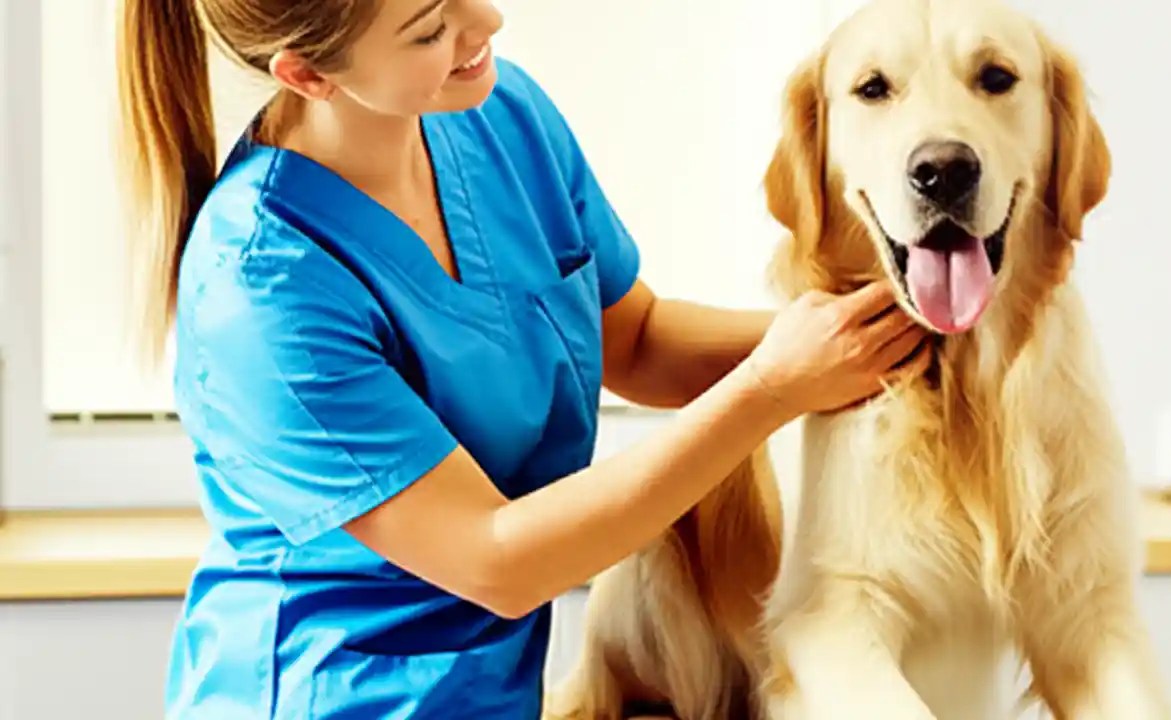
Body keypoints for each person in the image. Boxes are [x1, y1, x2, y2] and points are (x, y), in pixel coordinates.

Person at [114, 0, 931, 717]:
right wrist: (772, 387)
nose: (487, 21)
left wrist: (861, 337)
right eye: (431, 25)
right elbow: (499, 561)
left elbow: (638, 342)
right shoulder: (262, 292)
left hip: (494, 693)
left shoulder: (497, 115)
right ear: (308, 74)